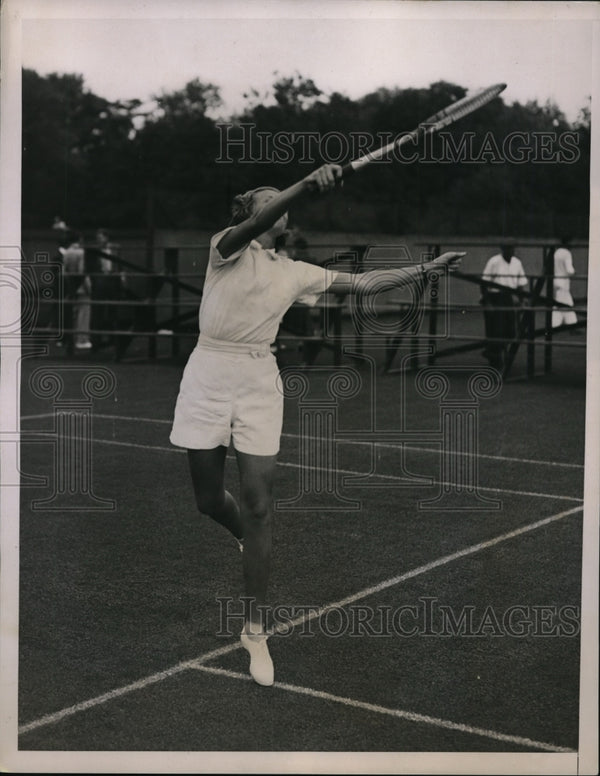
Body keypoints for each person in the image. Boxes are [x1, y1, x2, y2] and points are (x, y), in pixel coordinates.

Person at [169, 164, 464, 686]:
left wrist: (425, 270)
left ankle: (255, 630)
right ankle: (243, 536)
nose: (279, 205)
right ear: (250, 213)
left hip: (260, 378)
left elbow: (365, 282)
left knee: (260, 504)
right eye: (268, 199)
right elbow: (260, 223)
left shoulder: (297, 271)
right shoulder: (226, 247)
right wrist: (307, 181)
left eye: (283, 200)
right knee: (208, 500)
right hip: (207, 373)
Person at [480, 243, 528, 370]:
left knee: (511, 331)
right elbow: (483, 282)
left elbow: (520, 284)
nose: (510, 250)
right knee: (496, 331)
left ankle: (492, 351)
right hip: (494, 297)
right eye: (507, 248)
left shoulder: (517, 263)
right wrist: (487, 302)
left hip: (508, 298)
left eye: (512, 248)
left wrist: (522, 301)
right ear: (502, 249)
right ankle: (495, 363)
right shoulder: (494, 261)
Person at [62, 232, 92, 350]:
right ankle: (82, 339)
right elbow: (81, 272)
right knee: (84, 314)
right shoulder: (81, 252)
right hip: (81, 287)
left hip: (71, 286)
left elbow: (65, 272)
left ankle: (71, 339)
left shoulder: (67, 253)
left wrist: (70, 286)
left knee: (74, 313)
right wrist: (87, 287)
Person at [552, 237, 577, 329]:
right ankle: (571, 324)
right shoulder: (567, 253)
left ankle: (556, 323)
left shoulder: (556, 252)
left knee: (558, 303)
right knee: (566, 303)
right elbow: (569, 269)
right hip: (563, 281)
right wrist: (574, 272)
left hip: (555, 280)